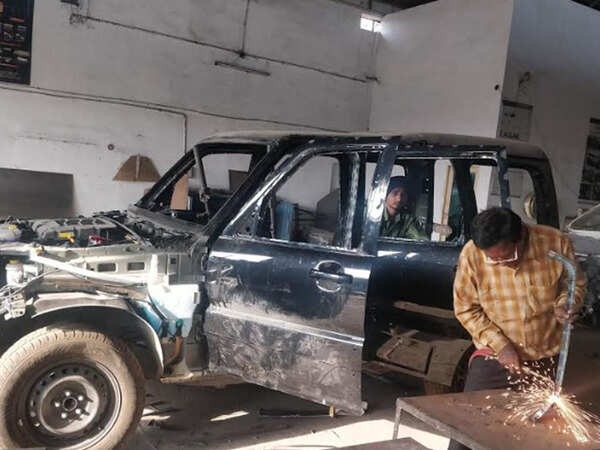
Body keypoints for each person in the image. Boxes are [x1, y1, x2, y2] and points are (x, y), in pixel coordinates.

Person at [449, 207, 586, 450]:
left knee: (534, 436)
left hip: (545, 357)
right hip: (494, 357)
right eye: (493, 260)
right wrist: (501, 345)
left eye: (506, 256)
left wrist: (566, 303)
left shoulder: (555, 243)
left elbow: (574, 283)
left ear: (521, 236)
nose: (502, 264)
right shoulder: (472, 254)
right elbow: (466, 309)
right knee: (467, 428)